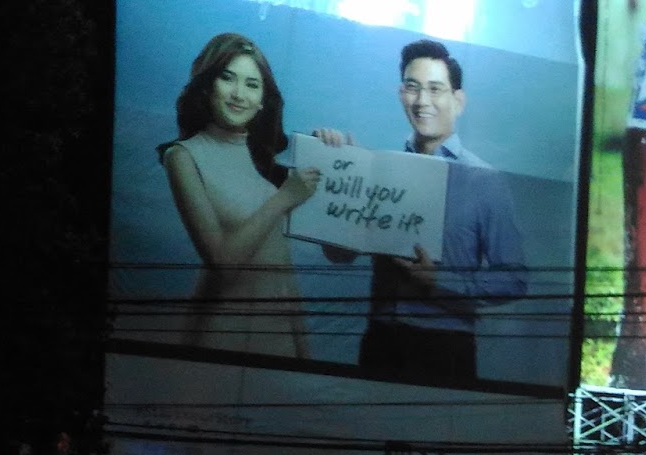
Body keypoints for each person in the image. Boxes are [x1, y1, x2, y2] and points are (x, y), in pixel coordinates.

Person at [314, 39, 528, 385]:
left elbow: (515, 279)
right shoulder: (377, 167)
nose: (422, 101)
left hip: (446, 350)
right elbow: (339, 255)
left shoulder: (485, 181)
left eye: (435, 89)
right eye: (412, 88)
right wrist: (337, 166)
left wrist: (440, 281)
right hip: (380, 342)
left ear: (458, 100)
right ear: (401, 94)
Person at [160, 32, 318, 357]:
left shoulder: (266, 162)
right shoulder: (183, 156)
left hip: (280, 345)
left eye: (251, 84)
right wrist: (283, 199)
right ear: (207, 86)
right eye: (227, 78)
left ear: (263, 100)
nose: (238, 94)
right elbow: (222, 263)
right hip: (219, 341)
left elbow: (288, 274)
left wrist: (335, 155)